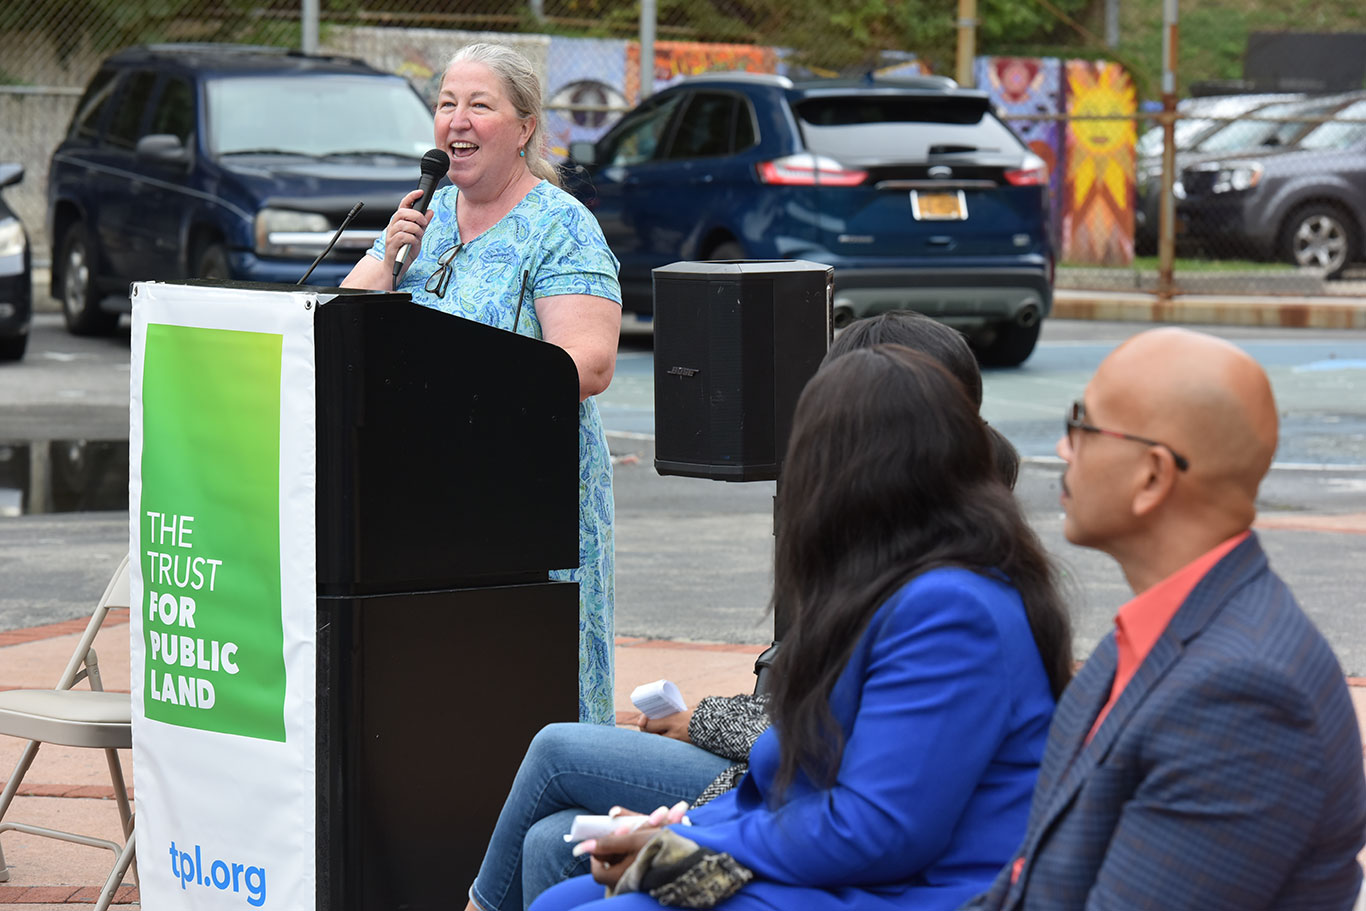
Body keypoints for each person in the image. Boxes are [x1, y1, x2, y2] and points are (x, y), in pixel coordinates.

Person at [463, 312, 1028, 911]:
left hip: (875, 883)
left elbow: (873, 824)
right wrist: (679, 835)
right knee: (558, 849)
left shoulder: (949, 606)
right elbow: (796, 764)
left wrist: (690, 843)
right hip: (804, 842)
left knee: (563, 805)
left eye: (825, 442)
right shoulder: (893, 578)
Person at [963, 327, 1366, 910]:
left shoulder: (1244, 698)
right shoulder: (1154, 637)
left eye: (1082, 424)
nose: (1061, 448)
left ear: (1152, 475)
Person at [341, 43, 623, 725]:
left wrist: (466, 384)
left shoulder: (561, 228)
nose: (456, 121)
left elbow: (589, 363)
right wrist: (386, 258)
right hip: (421, 502)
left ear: (524, 127)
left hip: (528, 502)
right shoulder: (423, 219)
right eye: (446, 104)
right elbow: (339, 332)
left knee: (532, 687)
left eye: (479, 105)